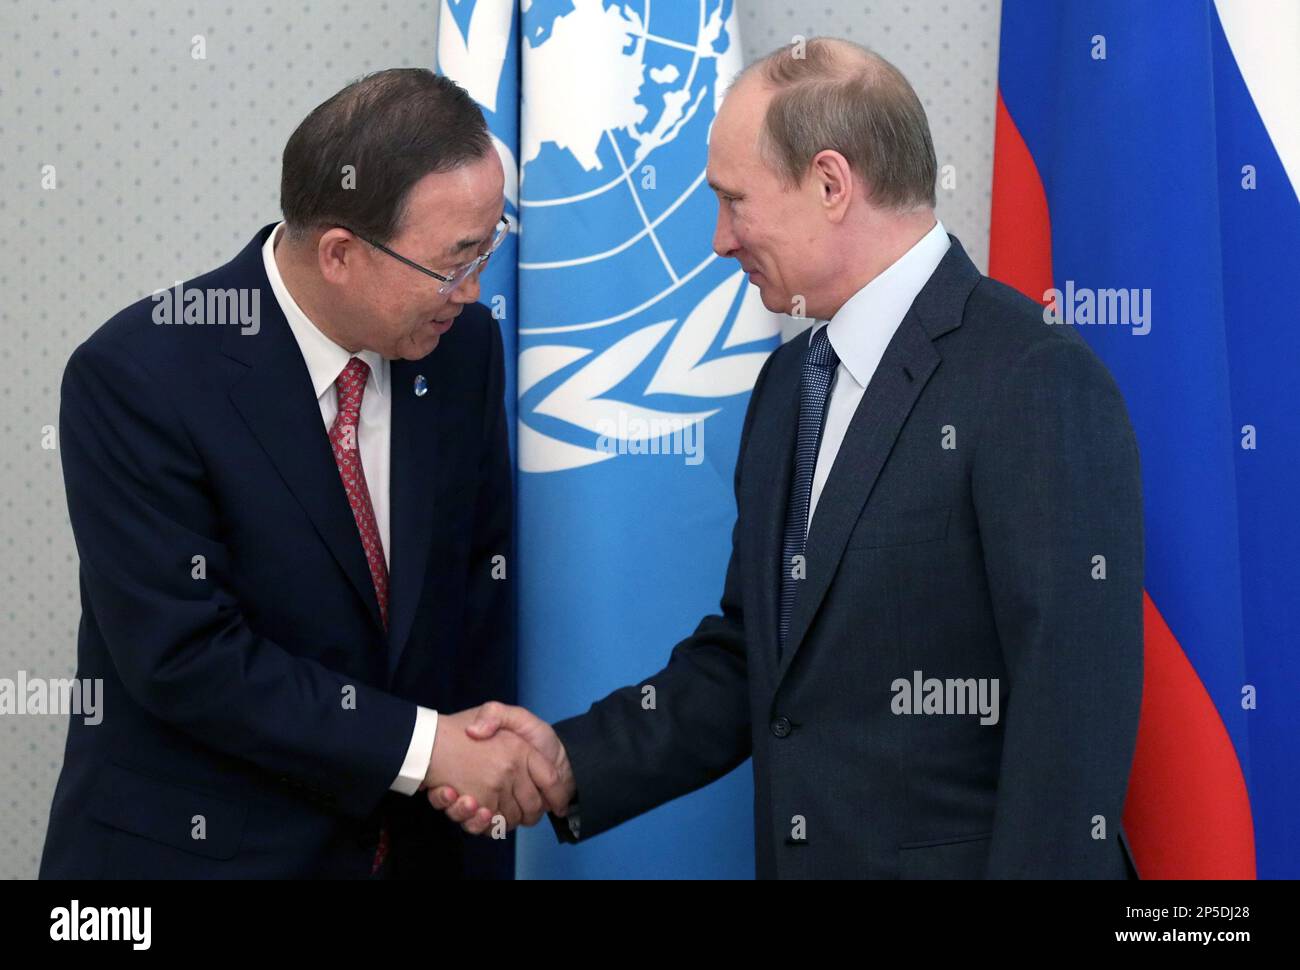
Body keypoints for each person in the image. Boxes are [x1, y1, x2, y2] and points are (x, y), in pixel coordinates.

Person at [431, 39, 1145, 879]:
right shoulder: (788, 385)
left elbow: (1073, 714)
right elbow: (756, 659)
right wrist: (568, 760)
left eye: (734, 202)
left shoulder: (1033, 378)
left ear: (831, 184)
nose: (719, 241)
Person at [40, 69, 563, 879]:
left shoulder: (462, 351)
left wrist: (480, 778)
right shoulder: (139, 376)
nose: (476, 291)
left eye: (488, 248)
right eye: (456, 262)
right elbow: (186, 656)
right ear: (342, 255)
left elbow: (474, 599)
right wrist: (428, 750)